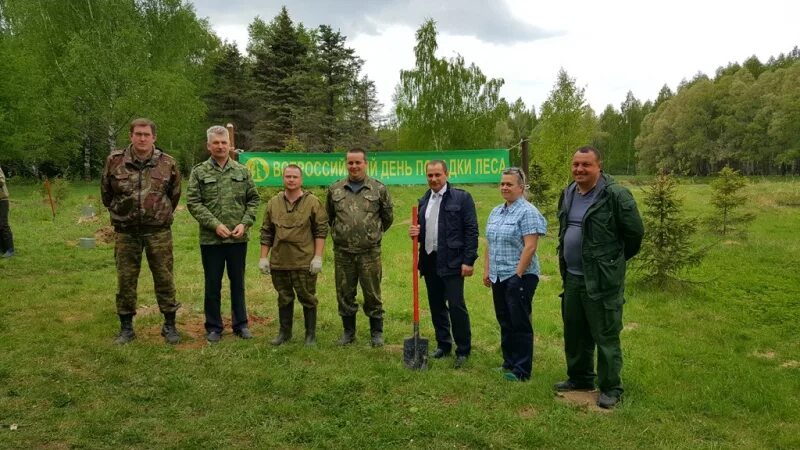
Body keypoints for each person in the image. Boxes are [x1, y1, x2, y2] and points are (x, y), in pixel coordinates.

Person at [554, 146, 644, 409]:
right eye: (575, 164)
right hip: (572, 278)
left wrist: (612, 262)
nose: (579, 169)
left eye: (586, 165)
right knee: (575, 332)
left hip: (602, 281)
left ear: (599, 167)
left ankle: (611, 387)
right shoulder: (568, 192)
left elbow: (635, 233)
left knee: (605, 335)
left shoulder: (615, 195)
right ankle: (580, 378)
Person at [101, 118, 182, 345]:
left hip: (158, 232)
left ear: (154, 137)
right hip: (126, 232)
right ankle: (126, 328)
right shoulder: (115, 161)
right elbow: (106, 194)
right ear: (131, 136)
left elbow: (174, 195)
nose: (142, 138)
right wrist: (122, 213)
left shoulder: (167, 163)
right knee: (125, 279)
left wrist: (157, 214)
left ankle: (169, 325)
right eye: (138, 134)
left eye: (146, 134)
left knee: (164, 278)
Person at [186, 125, 260, 343]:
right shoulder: (199, 172)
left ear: (230, 145)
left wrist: (245, 224)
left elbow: (254, 200)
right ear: (208, 146)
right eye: (216, 143)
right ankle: (214, 327)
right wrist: (214, 224)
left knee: (238, 282)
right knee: (212, 284)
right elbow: (193, 202)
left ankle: (241, 324)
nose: (220, 146)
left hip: (238, 238)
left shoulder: (242, 171)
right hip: (211, 239)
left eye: (224, 142)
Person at [408, 160, 478, 368]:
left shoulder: (462, 198)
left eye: (437, 175)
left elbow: (471, 231)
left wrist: (468, 260)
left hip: (453, 261)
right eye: (430, 175)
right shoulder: (424, 200)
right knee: (436, 305)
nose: (433, 179)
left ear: (446, 174)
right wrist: (415, 233)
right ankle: (443, 344)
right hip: (430, 261)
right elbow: (424, 230)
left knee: (456, 306)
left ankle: (463, 350)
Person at [483, 167, 547, 382]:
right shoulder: (495, 212)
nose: (504, 187)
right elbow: (490, 244)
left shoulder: (528, 212)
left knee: (519, 322)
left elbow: (530, 247)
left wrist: (517, 276)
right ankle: (508, 363)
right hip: (498, 275)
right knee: (505, 321)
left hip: (520, 276)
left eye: (509, 184)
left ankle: (521, 370)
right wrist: (487, 271)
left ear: (521, 187)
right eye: (502, 184)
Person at [327, 148, 393, 347]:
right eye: (350, 163)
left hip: (369, 253)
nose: (354, 166)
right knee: (345, 294)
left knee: (372, 293)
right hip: (343, 253)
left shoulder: (378, 189)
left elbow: (387, 217)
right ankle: (349, 332)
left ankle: (376, 333)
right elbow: (330, 217)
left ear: (366, 163)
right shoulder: (334, 189)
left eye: (358, 162)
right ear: (346, 164)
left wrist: (371, 235)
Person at [259, 164, 328, 346]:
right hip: (280, 261)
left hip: (304, 261)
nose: (291, 180)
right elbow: (266, 231)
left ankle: (310, 335)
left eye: (294, 177)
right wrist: (263, 257)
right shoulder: (273, 203)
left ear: (301, 180)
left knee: (308, 298)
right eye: (287, 176)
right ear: (283, 179)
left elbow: (320, 231)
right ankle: (284, 333)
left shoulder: (312, 202)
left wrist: (318, 257)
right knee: (284, 297)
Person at [0, 165, 14, 258]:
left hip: (2, 200)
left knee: (3, 224)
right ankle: (2, 248)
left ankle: (10, 249)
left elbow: (1, 181)